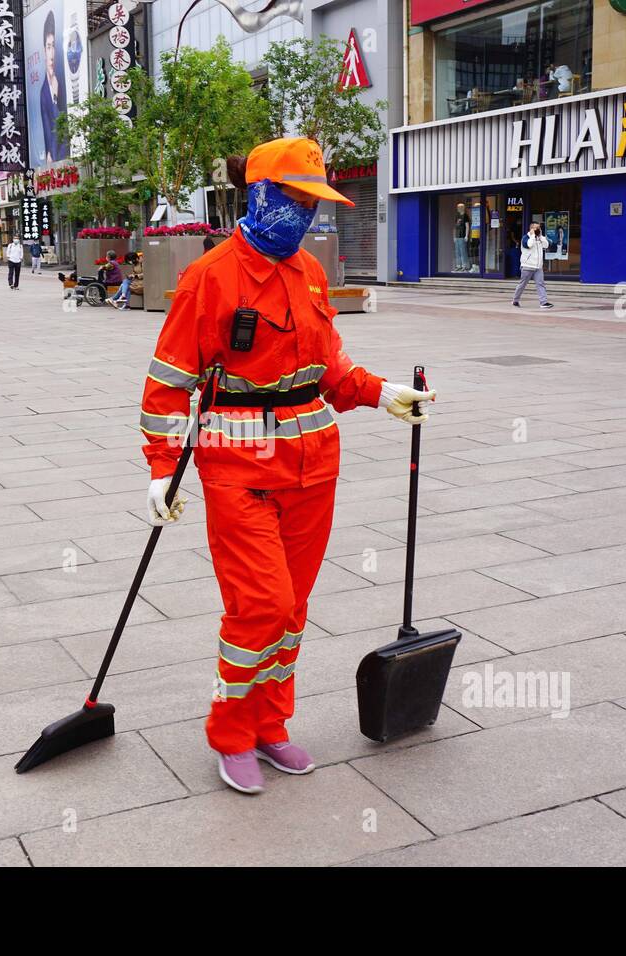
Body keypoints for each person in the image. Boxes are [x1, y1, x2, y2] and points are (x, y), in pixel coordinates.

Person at [139, 137, 434, 795]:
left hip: (313, 464)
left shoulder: (308, 272)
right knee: (260, 606)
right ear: (258, 194)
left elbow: (329, 366)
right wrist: (161, 470)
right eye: (293, 199)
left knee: (293, 609)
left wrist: (382, 392)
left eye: (312, 203)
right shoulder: (209, 277)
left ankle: (271, 725)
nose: (302, 215)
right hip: (238, 466)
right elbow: (166, 384)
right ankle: (230, 732)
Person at [39, 10, 69, 163]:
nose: (51, 53)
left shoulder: (64, 80)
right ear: (44, 49)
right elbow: (50, 132)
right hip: (57, 159)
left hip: (70, 154)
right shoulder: (44, 92)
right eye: (48, 46)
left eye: (54, 46)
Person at [512, 221, 553, 309]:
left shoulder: (540, 238)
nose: (537, 229)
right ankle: (515, 300)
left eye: (539, 228)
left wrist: (541, 236)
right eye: (535, 228)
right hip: (527, 266)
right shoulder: (525, 238)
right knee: (522, 284)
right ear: (531, 229)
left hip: (538, 267)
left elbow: (546, 245)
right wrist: (532, 236)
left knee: (540, 284)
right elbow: (529, 245)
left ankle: (543, 302)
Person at [453, 202, 471, 272]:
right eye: (457, 207)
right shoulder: (457, 216)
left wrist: (466, 235)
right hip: (457, 236)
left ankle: (465, 266)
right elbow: (455, 227)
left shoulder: (465, 216)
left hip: (462, 236)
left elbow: (467, 226)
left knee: (463, 251)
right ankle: (458, 266)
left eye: (459, 207)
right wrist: (454, 236)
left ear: (462, 208)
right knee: (457, 252)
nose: (457, 208)